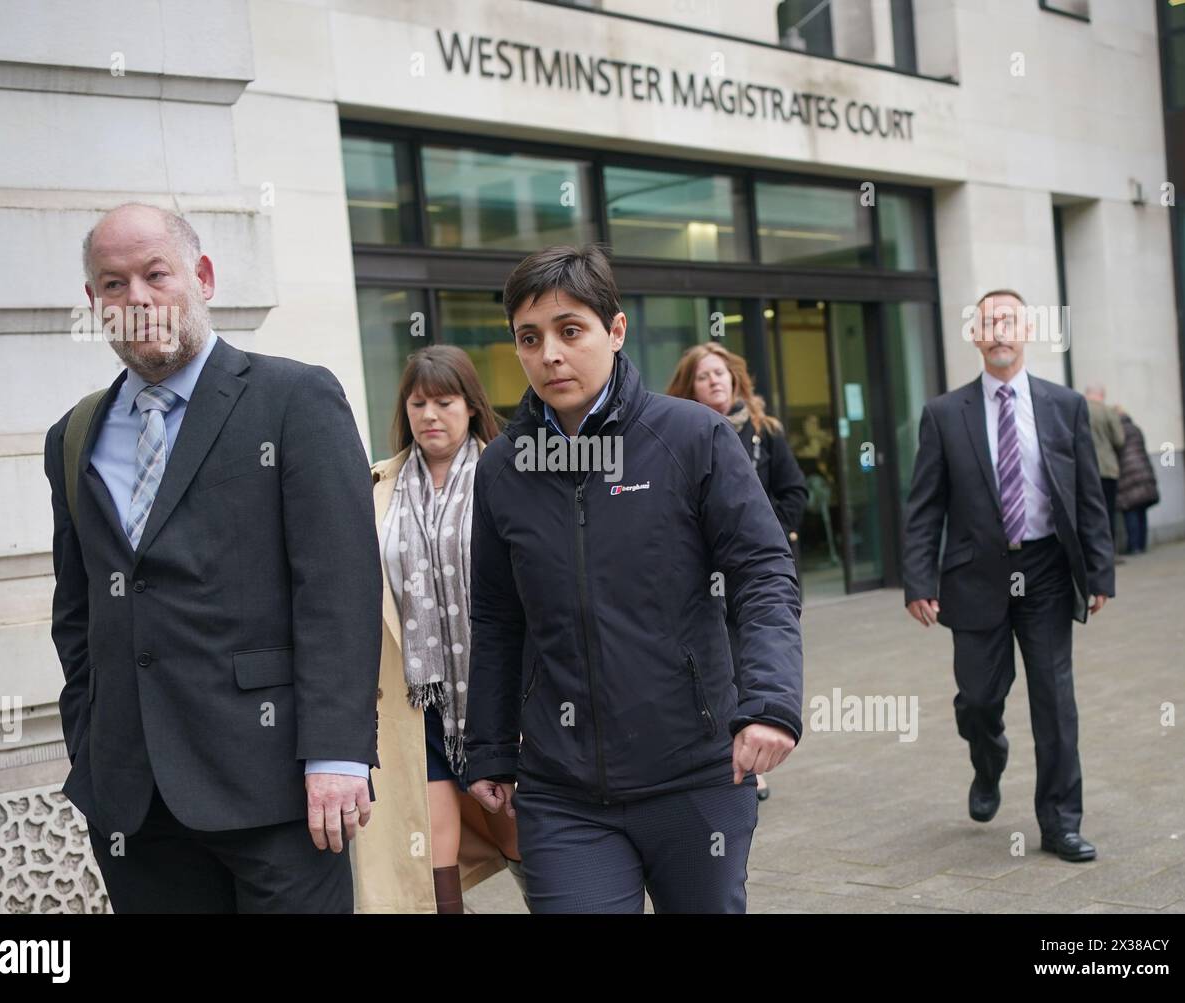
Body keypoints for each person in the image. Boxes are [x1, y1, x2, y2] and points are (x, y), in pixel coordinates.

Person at [46, 203, 381, 912]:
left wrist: (337, 754)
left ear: (202, 276)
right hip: (133, 803)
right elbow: (77, 612)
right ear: (93, 303)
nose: (136, 298)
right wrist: (89, 738)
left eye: (155, 273)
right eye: (112, 283)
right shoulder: (73, 436)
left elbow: (339, 589)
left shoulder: (294, 398)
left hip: (280, 791)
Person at [463, 244, 803, 913]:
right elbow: (498, 619)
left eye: (570, 330)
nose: (550, 354)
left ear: (615, 331)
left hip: (696, 772)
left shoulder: (693, 437)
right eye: (529, 338)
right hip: (563, 791)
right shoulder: (503, 468)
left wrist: (769, 702)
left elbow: (762, 571)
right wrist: (490, 747)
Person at [902, 289, 1114, 863]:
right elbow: (925, 506)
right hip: (974, 577)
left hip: (1045, 569)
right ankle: (987, 761)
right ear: (974, 335)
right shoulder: (945, 414)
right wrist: (918, 580)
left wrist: (1099, 570)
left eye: (1008, 320)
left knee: (1054, 700)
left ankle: (1060, 822)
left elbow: (1087, 495)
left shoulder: (1064, 405)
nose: (997, 330)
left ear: (1026, 330)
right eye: (987, 322)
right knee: (976, 700)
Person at [354, 345, 526, 913]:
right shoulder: (377, 487)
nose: (430, 415)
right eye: (418, 402)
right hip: (415, 700)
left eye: (444, 401)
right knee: (428, 848)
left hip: (497, 696)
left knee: (516, 830)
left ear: (472, 407)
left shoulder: (508, 473)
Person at [667, 342, 808, 802]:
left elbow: (794, 492)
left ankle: (753, 758)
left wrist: (767, 532)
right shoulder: (678, 436)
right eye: (705, 375)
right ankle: (728, 751)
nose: (715, 381)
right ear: (690, 386)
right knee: (718, 664)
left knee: (753, 661)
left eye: (722, 373)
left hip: (750, 571)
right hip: (703, 580)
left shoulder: (764, 431)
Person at [1114, 406, 1159, 555]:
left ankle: (1134, 547)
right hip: (1143, 472)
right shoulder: (1135, 429)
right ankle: (1142, 544)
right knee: (1141, 511)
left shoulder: (1119, 430)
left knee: (1130, 510)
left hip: (1128, 475)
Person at [1084, 382, 1125, 542]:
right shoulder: (1108, 412)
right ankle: (1109, 552)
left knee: (1088, 512)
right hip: (1107, 469)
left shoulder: (1076, 409)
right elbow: (1119, 440)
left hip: (1085, 470)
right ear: (1101, 395)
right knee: (1108, 511)